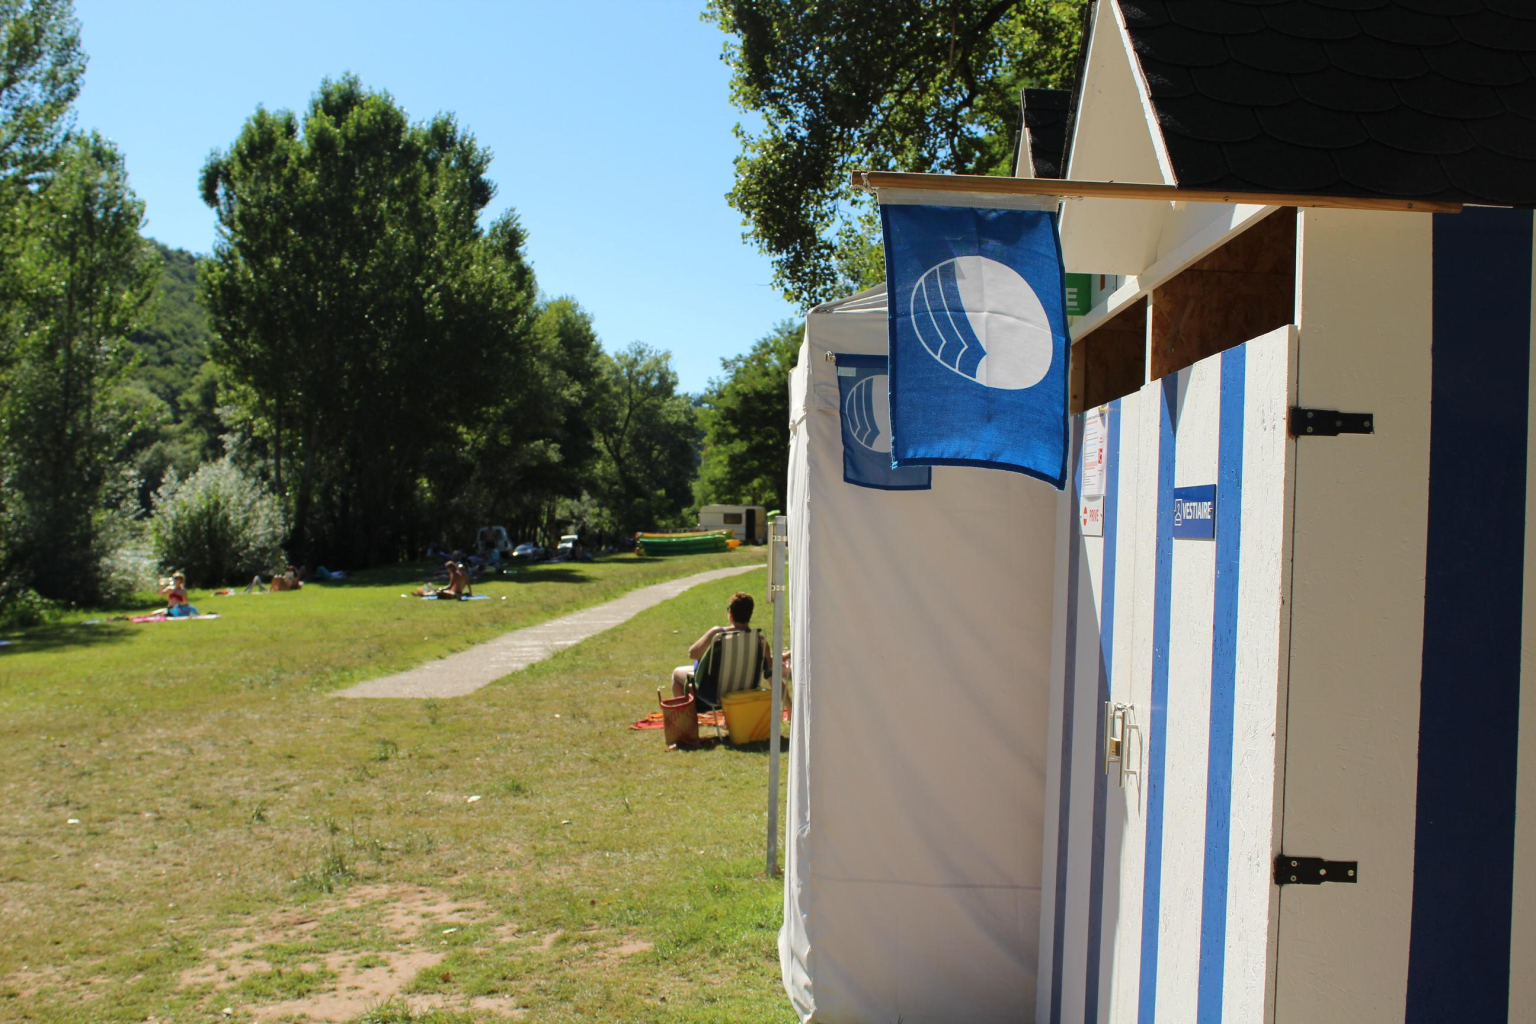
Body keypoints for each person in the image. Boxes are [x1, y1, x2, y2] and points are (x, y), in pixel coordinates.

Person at [671, 590, 771, 698]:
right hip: (746, 690)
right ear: (750, 614)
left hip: (713, 691)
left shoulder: (718, 635)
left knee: (676, 674)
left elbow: (693, 654)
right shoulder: (759, 640)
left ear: (731, 613)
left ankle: (686, 714)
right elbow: (769, 665)